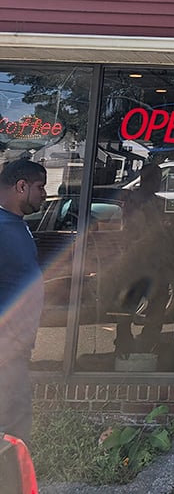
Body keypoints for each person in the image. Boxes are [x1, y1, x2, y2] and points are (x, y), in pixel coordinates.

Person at [0, 158, 47, 443]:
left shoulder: (15, 223)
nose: (44, 193)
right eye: (40, 187)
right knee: (13, 428)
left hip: (15, 348)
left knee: (14, 423)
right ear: (21, 186)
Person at [114, 164, 170, 356]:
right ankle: (129, 337)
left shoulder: (150, 200)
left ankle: (143, 336)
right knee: (140, 299)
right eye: (157, 178)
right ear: (150, 180)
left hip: (149, 259)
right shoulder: (136, 201)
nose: (159, 183)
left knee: (152, 299)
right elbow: (135, 230)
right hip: (140, 259)